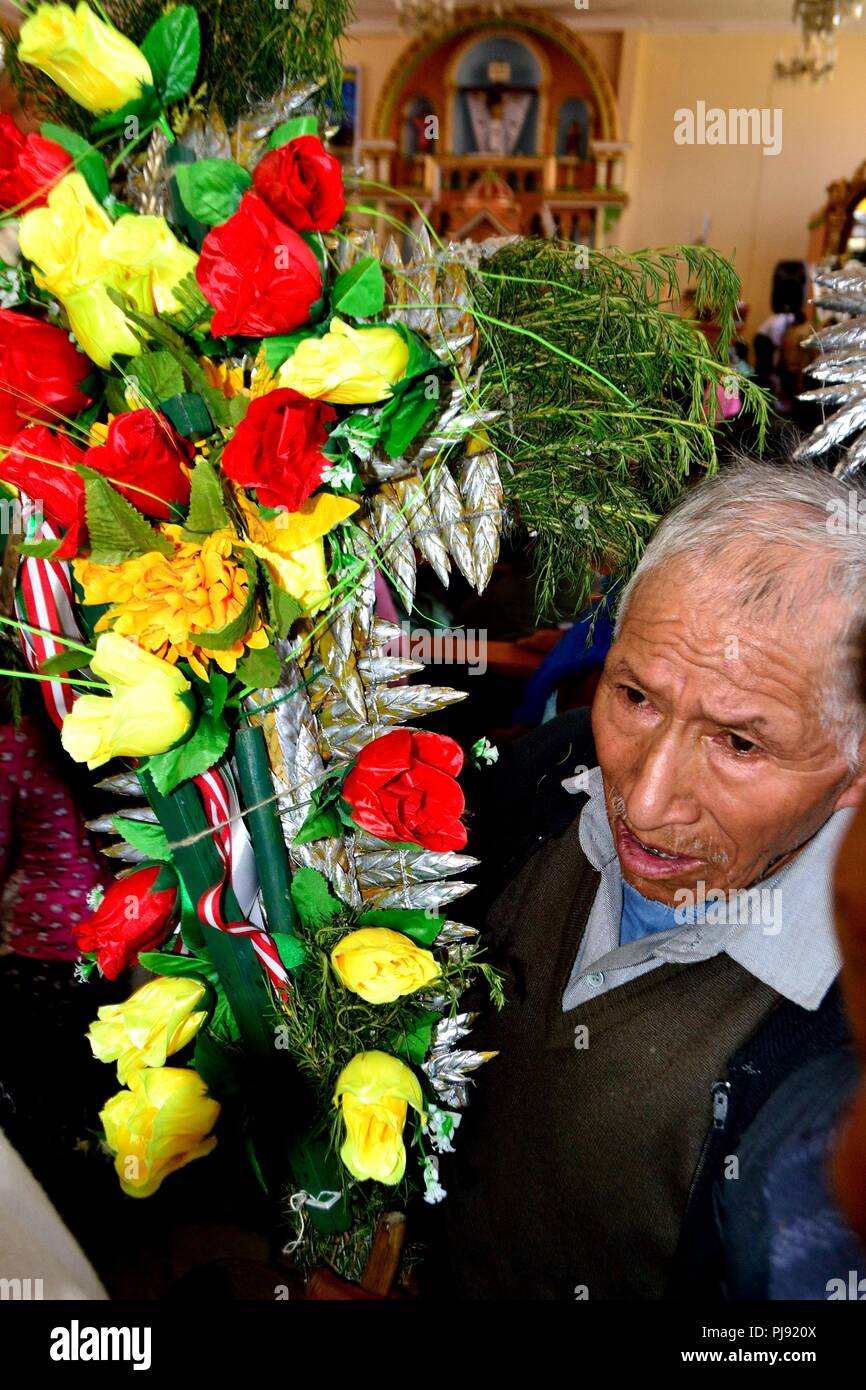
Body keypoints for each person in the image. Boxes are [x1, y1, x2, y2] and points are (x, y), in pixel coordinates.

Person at [441, 458, 866, 1300]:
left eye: (740, 744)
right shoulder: (537, 783)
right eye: (634, 696)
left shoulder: (838, 1065)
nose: (644, 793)